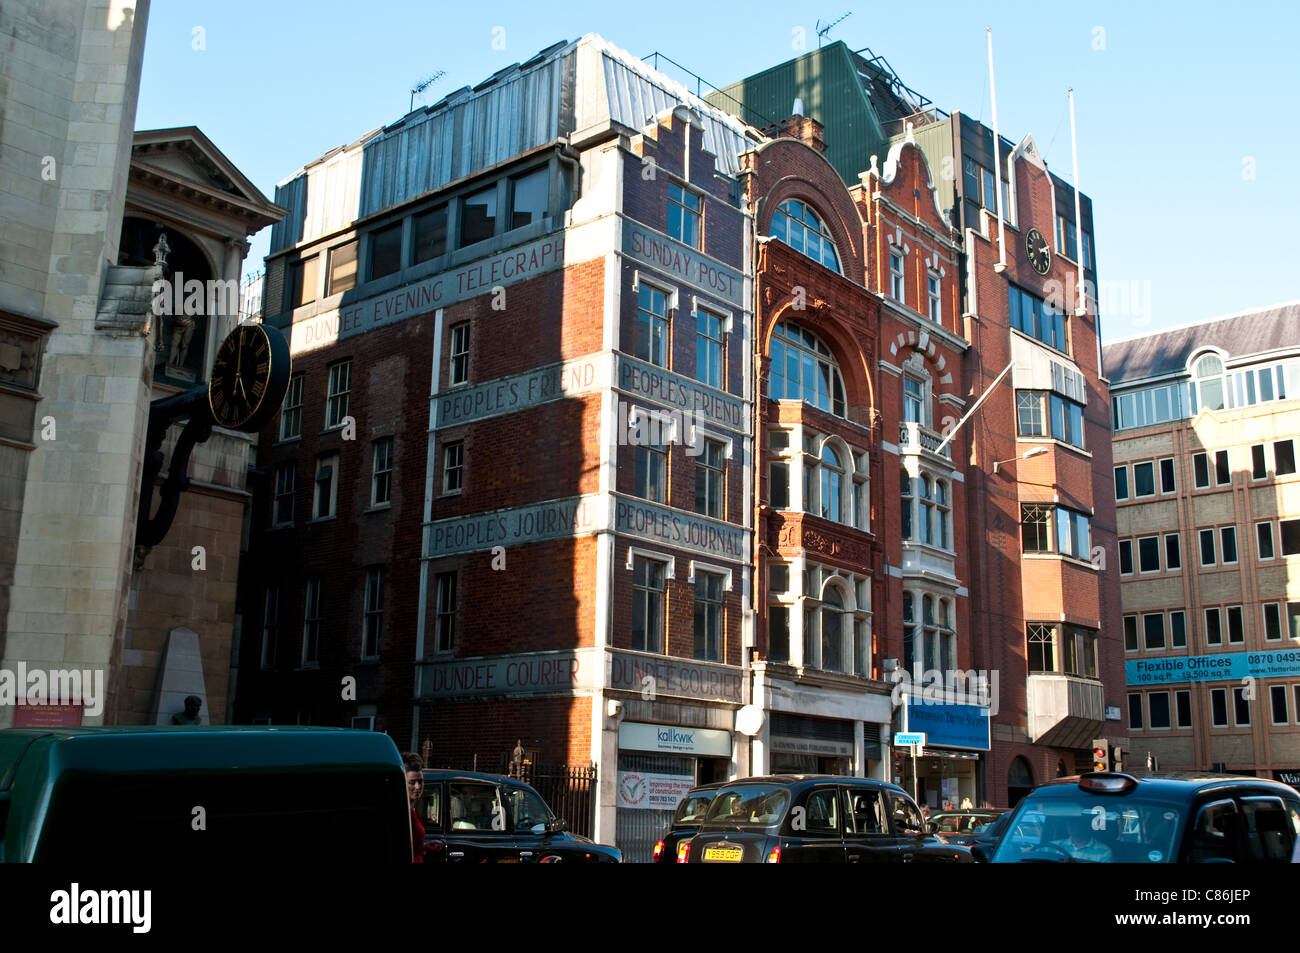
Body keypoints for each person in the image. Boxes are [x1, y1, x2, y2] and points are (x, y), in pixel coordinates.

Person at [403, 752, 426, 863]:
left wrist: (426, 846)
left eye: (420, 781)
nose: (417, 786)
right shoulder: (403, 812)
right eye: (412, 782)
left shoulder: (412, 811)